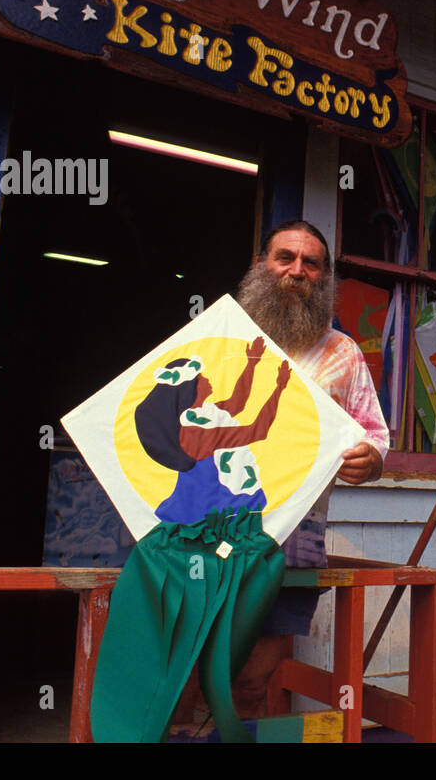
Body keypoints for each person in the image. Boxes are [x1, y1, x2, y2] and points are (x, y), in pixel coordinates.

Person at [228, 219, 390, 715]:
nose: (297, 271)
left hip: (292, 544)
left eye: (311, 263)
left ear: (325, 277)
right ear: (261, 265)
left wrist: (372, 459)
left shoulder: (342, 353)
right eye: (285, 258)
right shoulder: (219, 338)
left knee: (253, 684)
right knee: (186, 677)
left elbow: (374, 435)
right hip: (199, 536)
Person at [134, 341, 290, 524]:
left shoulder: (202, 414)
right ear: (190, 387)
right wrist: (279, 388)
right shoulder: (194, 432)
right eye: (200, 377)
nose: (206, 378)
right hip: (207, 509)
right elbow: (257, 431)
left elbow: (238, 403)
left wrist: (252, 363)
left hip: (213, 501)